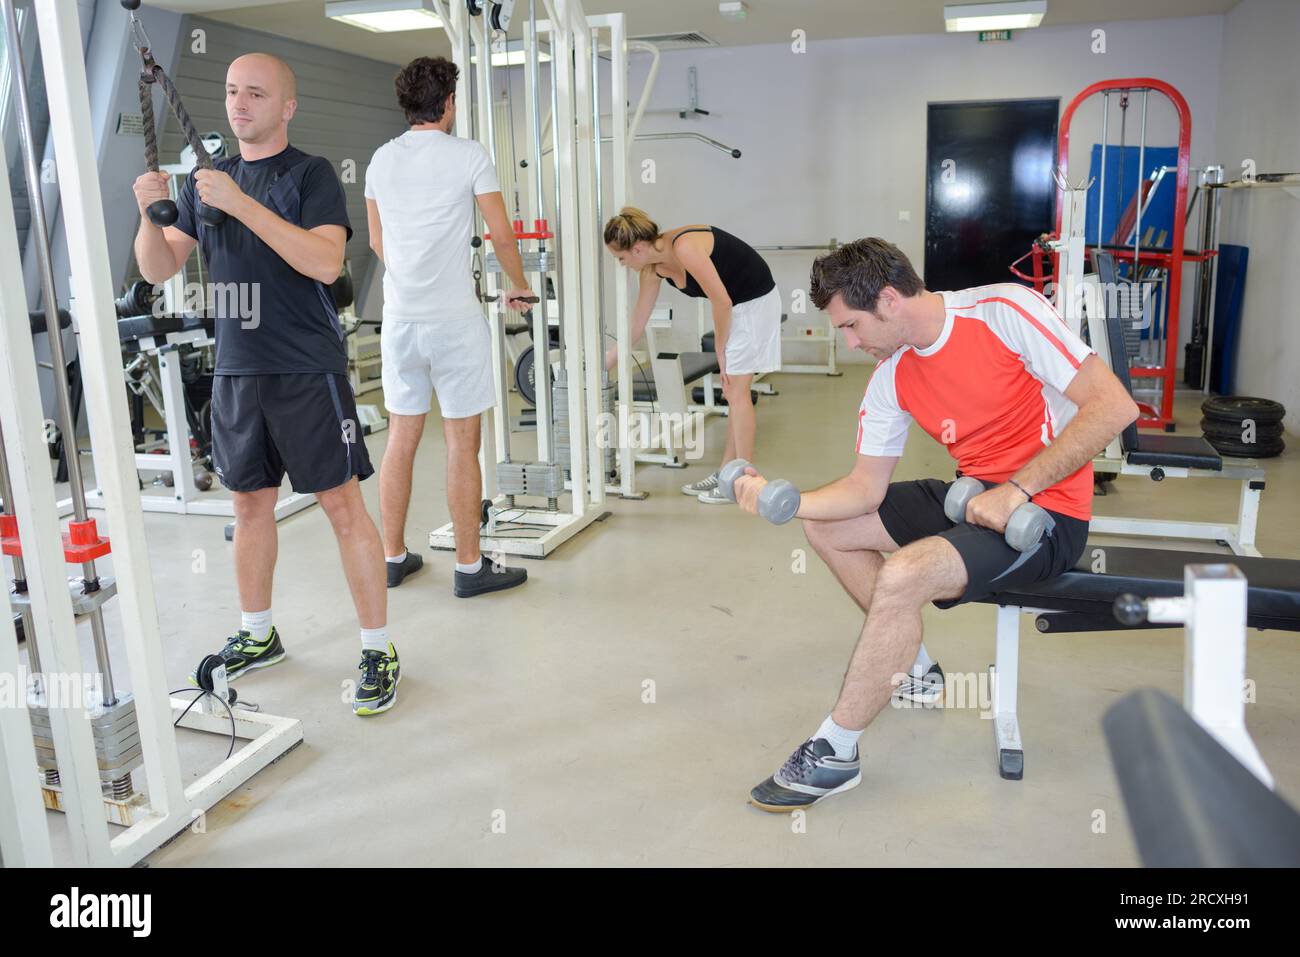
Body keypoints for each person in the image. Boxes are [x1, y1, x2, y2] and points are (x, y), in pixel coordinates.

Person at [732, 238, 1139, 810]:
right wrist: (785, 501)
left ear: (891, 300)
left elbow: (1115, 407)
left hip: (1047, 513)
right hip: (970, 499)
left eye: (851, 326)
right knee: (829, 530)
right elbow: (863, 490)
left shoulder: (1003, 312)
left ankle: (835, 751)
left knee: (903, 574)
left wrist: (1018, 488)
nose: (849, 343)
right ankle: (914, 670)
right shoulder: (891, 374)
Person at [132, 53, 400, 716]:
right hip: (236, 371)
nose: (239, 104)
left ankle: (378, 647)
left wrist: (243, 205)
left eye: (255, 93)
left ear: (287, 105)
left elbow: (325, 259)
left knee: (343, 510)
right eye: (230, 93)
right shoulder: (205, 183)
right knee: (248, 508)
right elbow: (161, 266)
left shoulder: (311, 176)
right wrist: (147, 215)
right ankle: (259, 634)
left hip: (307, 368)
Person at [365, 56, 531, 598]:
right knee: (463, 443)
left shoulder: (379, 160)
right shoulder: (469, 155)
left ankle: (391, 558)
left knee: (401, 439)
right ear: (449, 103)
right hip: (454, 322)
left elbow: (375, 240)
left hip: (400, 322)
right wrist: (519, 283)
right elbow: (502, 236)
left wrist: (411, 277)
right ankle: (467, 567)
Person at [603, 208, 782, 504]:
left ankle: (744, 483)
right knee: (732, 390)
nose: (622, 265)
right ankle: (728, 470)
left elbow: (721, 301)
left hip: (753, 302)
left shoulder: (684, 247)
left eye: (621, 258)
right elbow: (636, 326)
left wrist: (721, 351)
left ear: (636, 248)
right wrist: (605, 362)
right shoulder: (651, 270)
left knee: (737, 392)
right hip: (733, 307)